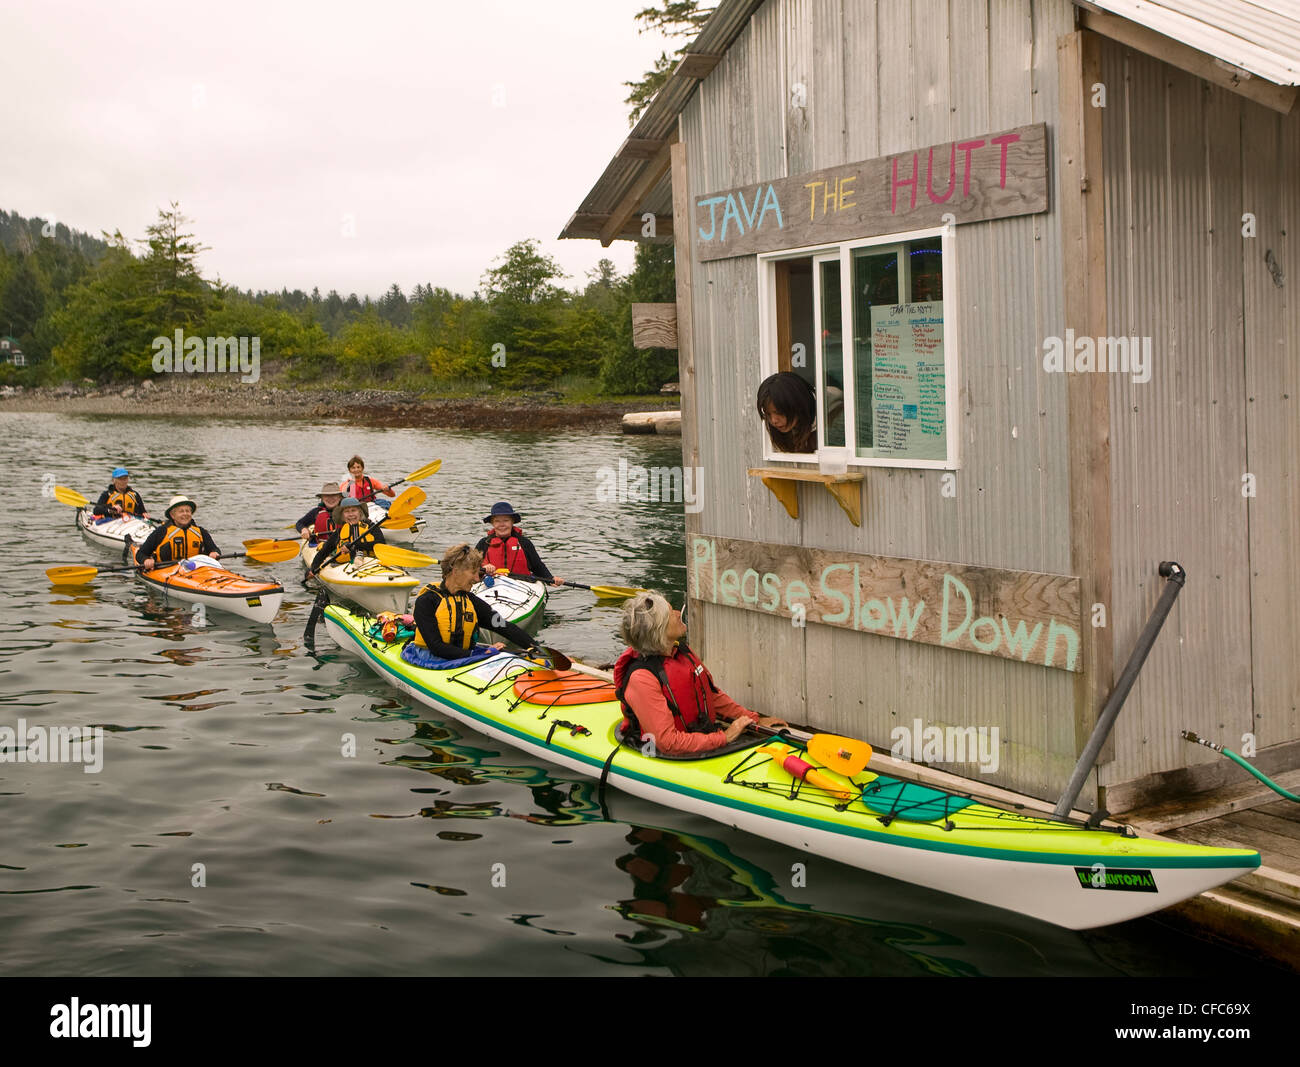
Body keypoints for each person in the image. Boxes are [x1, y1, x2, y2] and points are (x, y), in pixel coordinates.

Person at [613, 592, 786, 756]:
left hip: (701, 736)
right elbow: (668, 742)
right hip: (667, 753)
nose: (676, 613)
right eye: (670, 612)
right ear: (659, 630)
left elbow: (710, 695)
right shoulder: (642, 678)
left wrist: (751, 719)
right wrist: (725, 737)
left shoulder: (680, 651)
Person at [411, 543, 539, 658]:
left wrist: (534, 647)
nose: (477, 579)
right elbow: (437, 648)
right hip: (430, 659)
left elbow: (503, 626)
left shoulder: (470, 601)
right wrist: (480, 654)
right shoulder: (426, 602)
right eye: (473, 572)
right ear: (456, 571)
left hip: (465, 657)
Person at [475, 501, 564, 587]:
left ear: (512, 522)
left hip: (522, 585)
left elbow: (537, 566)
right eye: (497, 521)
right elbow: (470, 567)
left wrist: (551, 579)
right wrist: (484, 567)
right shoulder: (484, 543)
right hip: (492, 585)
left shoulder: (524, 543)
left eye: (506, 520)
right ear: (492, 523)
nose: (502, 525)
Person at [136, 496, 220, 571]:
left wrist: (214, 553)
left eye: (188, 511)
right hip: (167, 570)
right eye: (181, 511)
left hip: (196, 570)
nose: (185, 514)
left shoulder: (200, 531)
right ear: (172, 515)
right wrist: (146, 560)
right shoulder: (161, 531)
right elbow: (141, 554)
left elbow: (215, 549)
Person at [308, 497, 385, 573]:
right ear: (342, 516)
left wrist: (354, 546)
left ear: (360, 512)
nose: (351, 514)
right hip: (345, 567)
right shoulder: (340, 531)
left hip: (370, 562)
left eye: (353, 510)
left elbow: (381, 544)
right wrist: (312, 569)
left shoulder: (371, 527)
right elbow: (324, 551)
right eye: (347, 512)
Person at [756, 371, 818, 453]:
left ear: (799, 404)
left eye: (779, 412)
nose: (774, 420)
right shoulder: (788, 428)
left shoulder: (831, 423)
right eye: (768, 414)